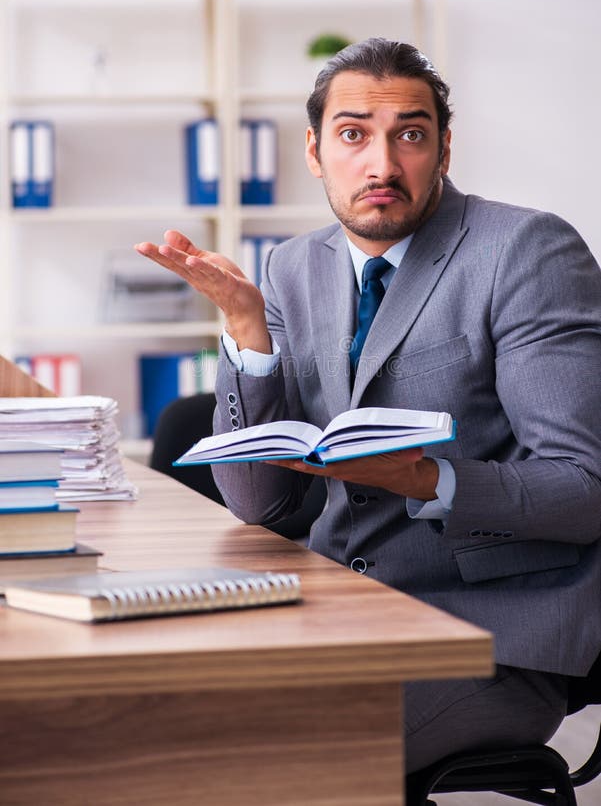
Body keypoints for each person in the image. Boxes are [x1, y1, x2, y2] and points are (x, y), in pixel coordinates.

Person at [135, 38, 601, 774]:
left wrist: (426, 481)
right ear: (316, 151)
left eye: (409, 135)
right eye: (353, 135)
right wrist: (245, 328)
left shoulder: (525, 250)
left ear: (443, 149)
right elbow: (261, 505)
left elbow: (584, 489)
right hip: (336, 612)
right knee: (142, 723)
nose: (381, 165)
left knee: (260, 765)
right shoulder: (293, 265)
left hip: (487, 636)